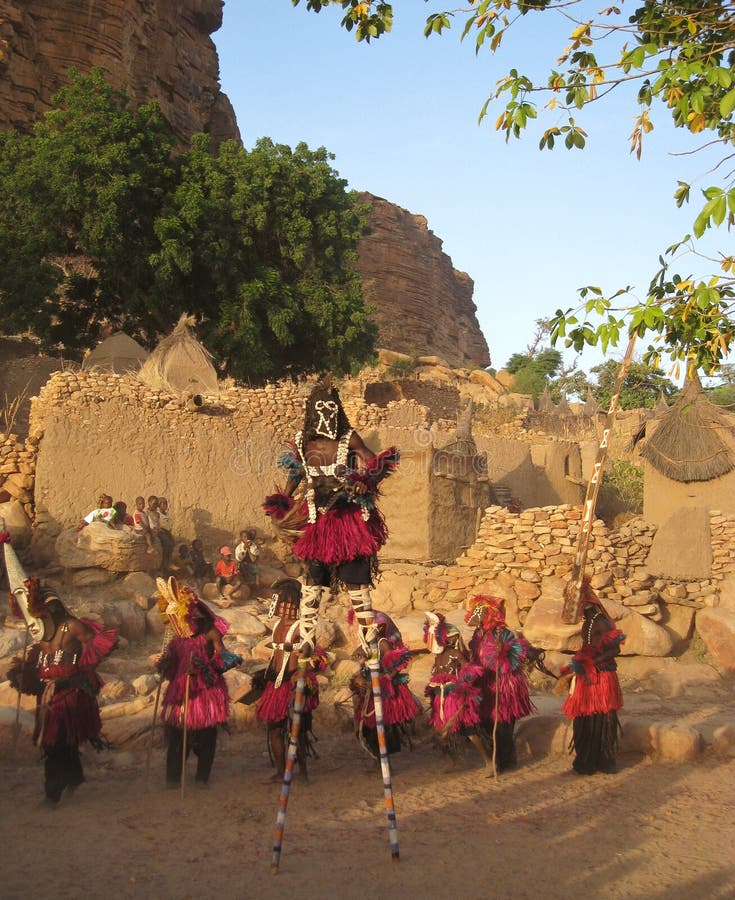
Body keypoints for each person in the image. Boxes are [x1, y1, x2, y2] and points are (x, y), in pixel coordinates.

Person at [263, 378, 398, 659]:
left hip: (348, 521)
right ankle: (308, 636)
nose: (326, 416)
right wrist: (282, 505)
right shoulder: (302, 442)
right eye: (320, 409)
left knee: (356, 582)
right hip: (317, 522)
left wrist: (365, 481)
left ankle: (366, 638)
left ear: (337, 410)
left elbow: (376, 463)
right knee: (313, 579)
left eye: (331, 408)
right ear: (312, 411)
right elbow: (295, 475)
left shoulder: (349, 438)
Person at [7, 578, 118, 804]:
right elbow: (40, 661)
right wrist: (24, 674)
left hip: (69, 695)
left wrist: (80, 673)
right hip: (47, 694)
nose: (39, 619)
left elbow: (104, 644)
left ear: (53, 608)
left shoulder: (72, 626)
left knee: (55, 742)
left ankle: (52, 795)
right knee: (62, 741)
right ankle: (75, 777)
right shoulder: (39, 632)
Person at [155, 577, 242, 787]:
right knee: (177, 736)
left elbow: (225, 660)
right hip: (181, 693)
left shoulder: (210, 634)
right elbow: (170, 668)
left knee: (205, 737)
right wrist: (164, 664)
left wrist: (204, 668)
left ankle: (202, 778)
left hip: (206, 693)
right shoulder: (176, 641)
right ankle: (173, 779)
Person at [256, 578, 325, 782]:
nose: (283, 607)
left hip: (295, 681)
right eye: (281, 603)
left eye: (288, 604)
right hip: (276, 682)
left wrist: (303, 665)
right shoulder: (277, 625)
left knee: (298, 731)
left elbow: (312, 652)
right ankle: (281, 771)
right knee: (274, 729)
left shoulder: (302, 627)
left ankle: (302, 772)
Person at [559, 578, 625, 776]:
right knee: (584, 718)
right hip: (587, 676)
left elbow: (614, 650)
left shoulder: (601, 622)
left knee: (603, 719)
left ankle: (604, 760)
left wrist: (592, 663)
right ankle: (585, 761)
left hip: (602, 677)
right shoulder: (588, 622)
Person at [465, 595, 534, 773]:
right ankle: (493, 758)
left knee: (503, 723)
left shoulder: (503, 633)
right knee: (486, 722)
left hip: (503, 685)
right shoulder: (478, 634)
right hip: (484, 683)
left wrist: (501, 653)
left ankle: (506, 760)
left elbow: (515, 659)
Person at [348, 608, 420, 762]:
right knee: (369, 727)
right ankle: (378, 760)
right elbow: (358, 656)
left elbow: (393, 669)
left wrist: (381, 679)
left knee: (380, 727)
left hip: (382, 690)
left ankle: (383, 761)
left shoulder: (383, 643)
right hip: (370, 689)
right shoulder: (368, 644)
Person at [423, 611, 491, 771]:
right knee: (440, 731)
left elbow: (469, 669)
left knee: (469, 730)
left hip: (455, 698)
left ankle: (488, 761)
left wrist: (462, 684)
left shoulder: (455, 654)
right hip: (441, 698)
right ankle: (450, 761)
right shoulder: (438, 657)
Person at [157, 497, 174, 572]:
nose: (165, 506)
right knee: (167, 545)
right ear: (159, 505)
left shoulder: (167, 514)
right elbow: (159, 525)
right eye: (163, 504)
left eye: (165, 504)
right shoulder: (158, 514)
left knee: (172, 546)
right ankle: (163, 565)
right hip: (161, 532)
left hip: (167, 532)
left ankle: (168, 564)